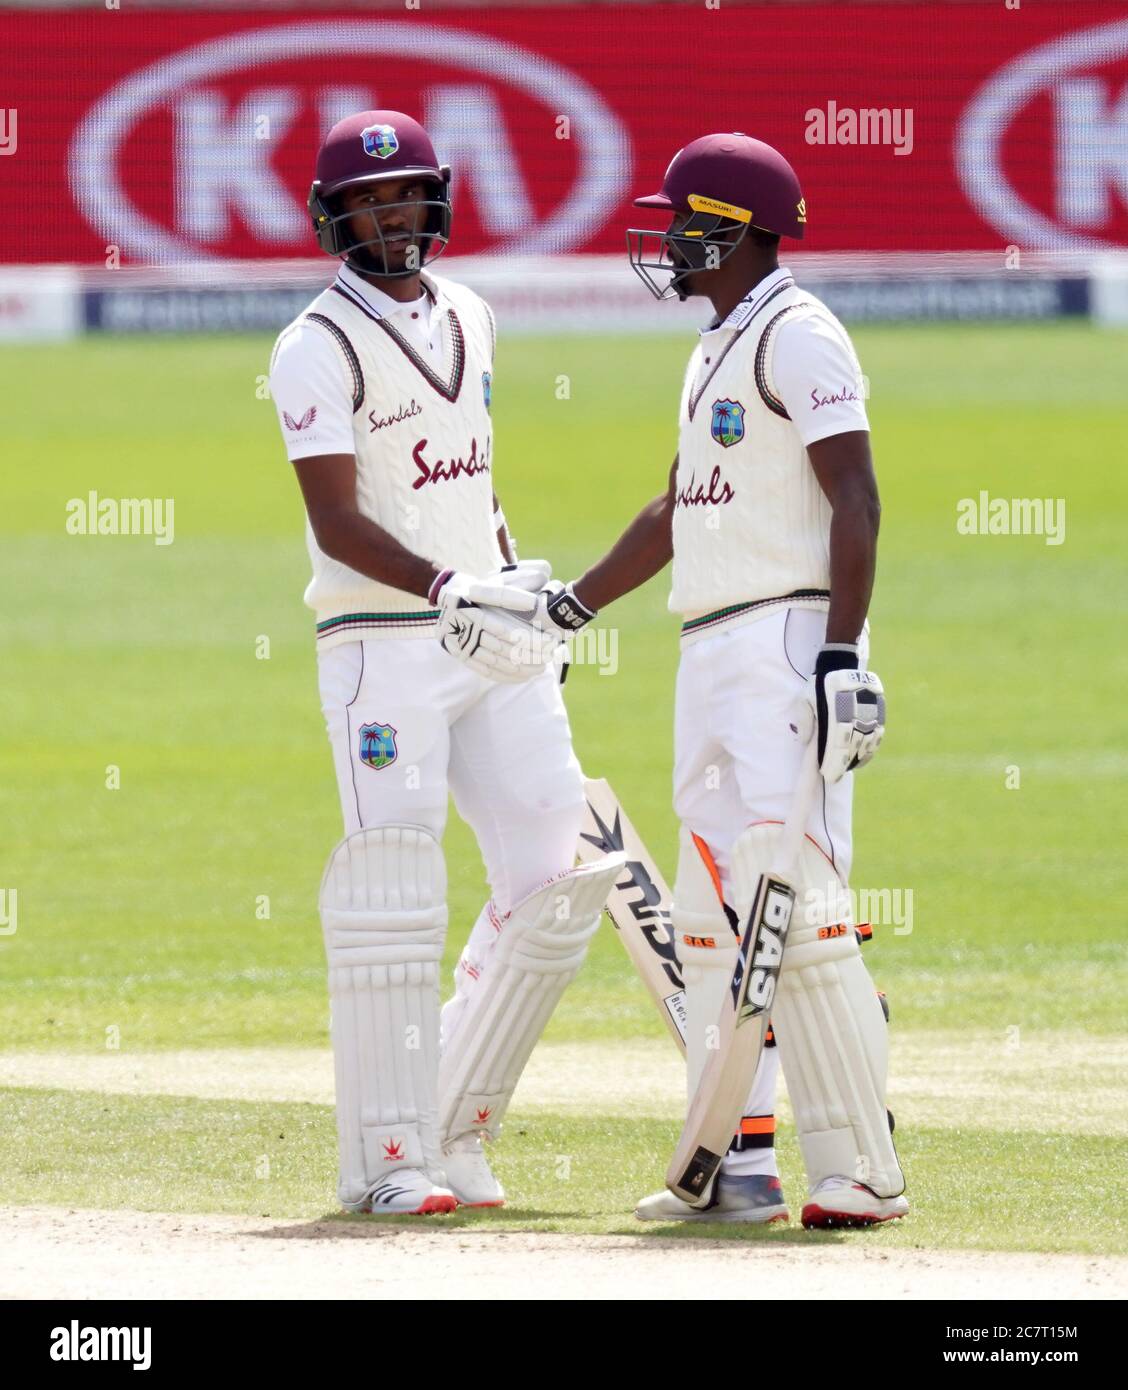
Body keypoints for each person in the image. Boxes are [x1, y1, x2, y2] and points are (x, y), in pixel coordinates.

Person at [518, 133, 908, 1228]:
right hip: (711, 646)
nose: (665, 236)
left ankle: (860, 1164)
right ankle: (736, 1162)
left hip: (789, 641)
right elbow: (679, 508)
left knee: (802, 906)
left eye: (681, 219)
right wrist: (575, 603)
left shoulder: (802, 333)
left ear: (728, 230)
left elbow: (860, 501)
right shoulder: (717, 343)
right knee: (713, 918)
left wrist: (841, 654)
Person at [267, 110, 619, 1216]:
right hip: (383, 644)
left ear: (437, 199)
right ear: (336, 218)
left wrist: (517, 601)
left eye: (407, 194)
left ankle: (455, 1121)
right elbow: (333, 521)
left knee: (556, 879)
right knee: (393, 890)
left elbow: (475, 482)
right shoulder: (311, 346)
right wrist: (442, 588)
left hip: (488, 629)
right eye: (369, 200)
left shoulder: (474, 313)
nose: (392, 215)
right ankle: (386, 1161)